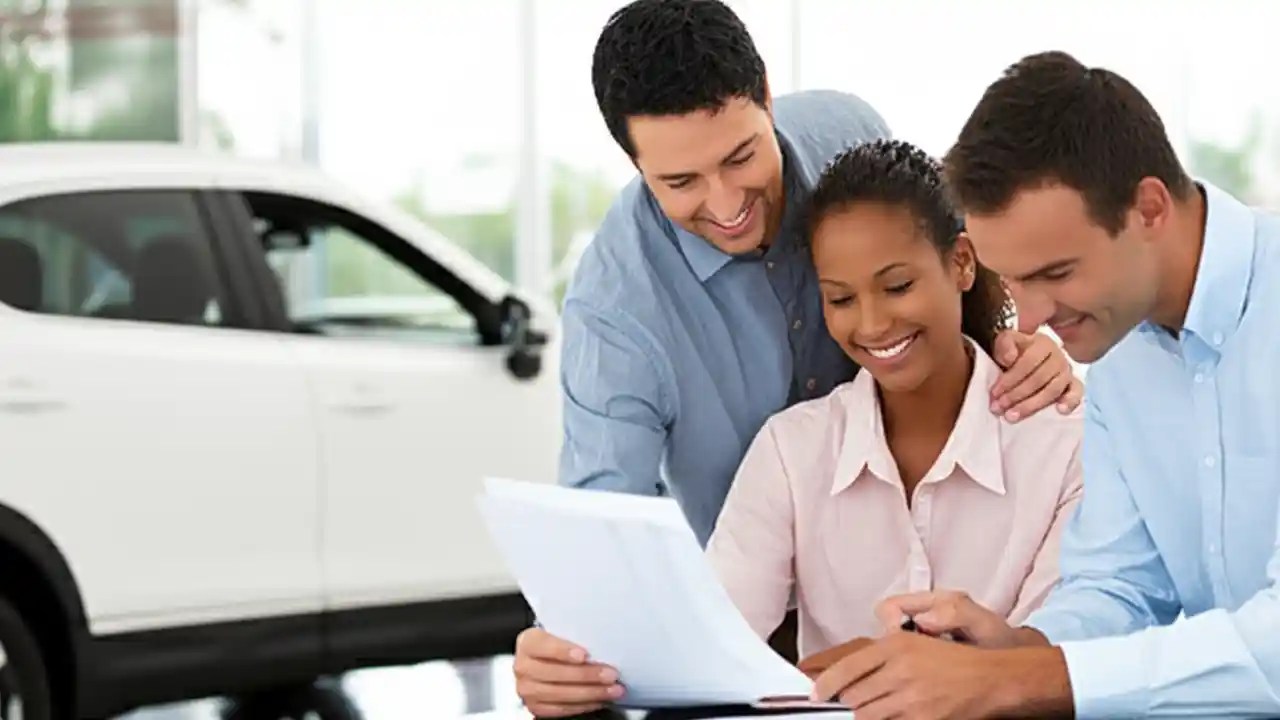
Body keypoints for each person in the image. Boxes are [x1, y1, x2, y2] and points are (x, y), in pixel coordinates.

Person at [513, 139, 1085, 718]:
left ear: (961, 262)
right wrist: (567, 666)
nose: (872, 323)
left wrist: (889, 669)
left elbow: (1065, 666)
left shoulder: (1063, 443)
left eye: (897, 286)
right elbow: (710, 650)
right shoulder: (793, 450)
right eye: (840, 298)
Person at [811, 50, 1280, 720]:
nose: (1032, 320)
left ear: (1148, 209)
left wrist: (1023, 681)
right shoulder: (1121, 361)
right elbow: (1119, 588)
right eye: (1014, 281)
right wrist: (1011, 649)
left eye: (1056, 274)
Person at [559, 0, 1080, 551]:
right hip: (752, 599)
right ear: (635, 163)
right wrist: (569, 630)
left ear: (765, 94)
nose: (727, 203)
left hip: (938, 546)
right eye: (682, 182)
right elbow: (604, 521)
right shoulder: (614, 311)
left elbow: (957, 262)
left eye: (741, 157)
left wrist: (1019, 348)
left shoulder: (849, 137)